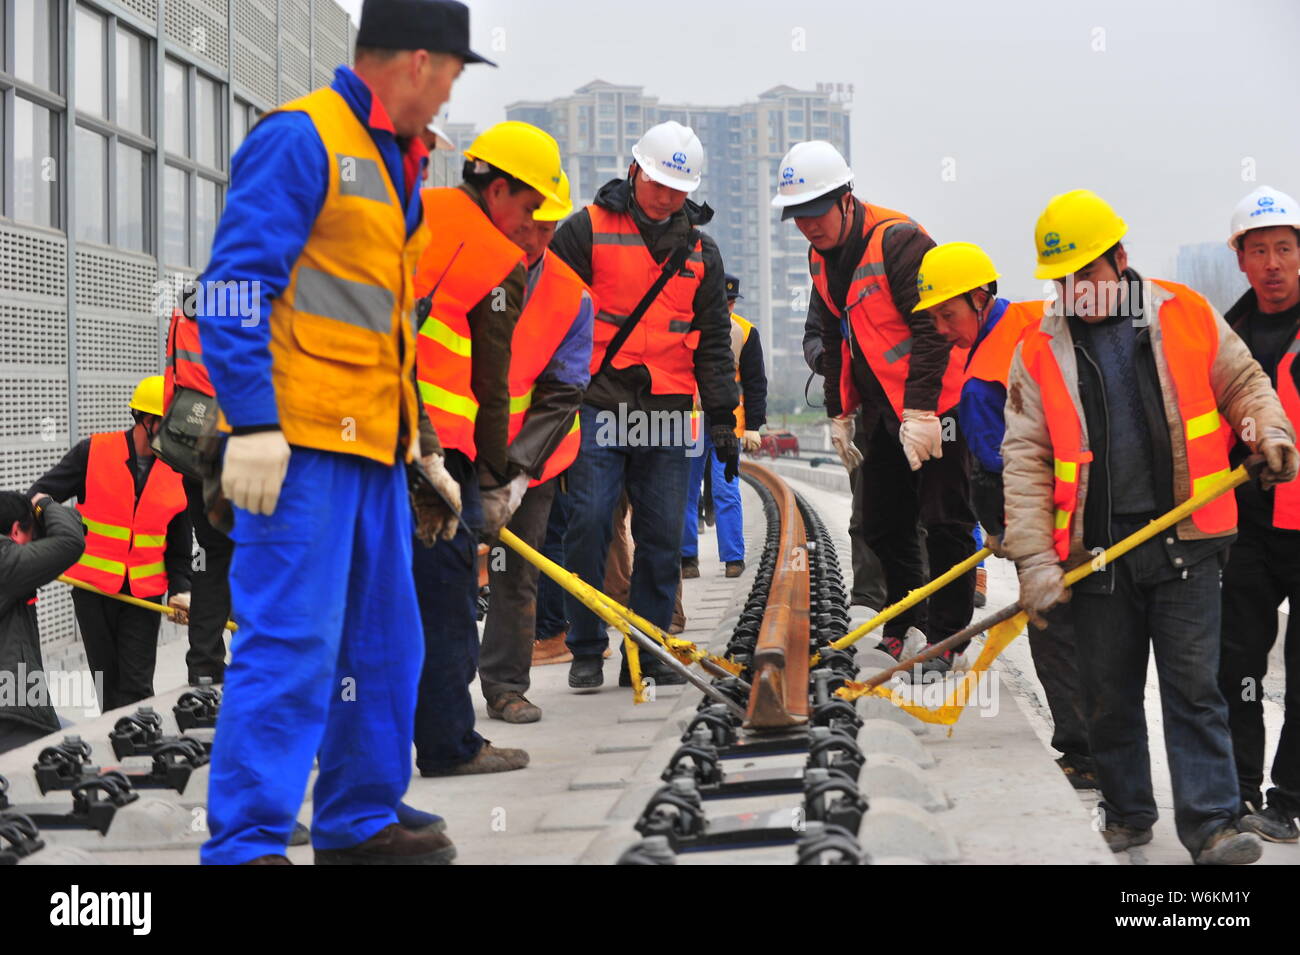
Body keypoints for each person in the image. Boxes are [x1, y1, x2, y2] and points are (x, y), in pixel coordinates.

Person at [196, 0, 486, 866]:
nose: (450, 94)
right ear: (419, 63)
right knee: (291, 640)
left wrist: (422, 444)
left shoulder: (395, 160)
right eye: (453, 73)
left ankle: (358, 818)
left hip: (373, 450)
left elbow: (385, 332)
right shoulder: (303, 139)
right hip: (298, 446)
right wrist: (250, 421)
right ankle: (246, 842)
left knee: (382, 641)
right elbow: (233, 287)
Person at [1003, 188, 1298, 864]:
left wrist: (1268, 429)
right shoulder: (1040, 348)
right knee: (1108, 694)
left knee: (1196, 691)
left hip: (1187, 543)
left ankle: (1214, 825)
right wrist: (1035, 562)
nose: (1079, 291)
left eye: (1089, 274)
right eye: (1065, 279)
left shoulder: (1183, 314)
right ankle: (1129, 811)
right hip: (1100, 551)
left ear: (1121, 259)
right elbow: (1024, 459)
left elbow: (1243, 384)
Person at [550, 120, 739, 691]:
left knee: (663, 534)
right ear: (634, 172)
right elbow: (552, 317)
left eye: (677, 189)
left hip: (668, 409)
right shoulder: (584, 231)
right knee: (588, 524)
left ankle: (652, 647)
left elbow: (712, 341)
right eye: (657, 183)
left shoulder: (703, 253)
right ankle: (586, 646)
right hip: (598, 403)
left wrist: (724, 418)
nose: (666, 197)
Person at [776, 140, 974, 671]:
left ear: (845, 198)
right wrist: (839, 412)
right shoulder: (821, 259)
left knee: (944, 521)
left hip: (939, 408)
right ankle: (905, 621)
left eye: (816, 213)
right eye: (798, 217)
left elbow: (934, 332)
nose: (809, 226)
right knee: (884, 523)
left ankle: (946, 637)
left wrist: (923, 412)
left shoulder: (900, 242)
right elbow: (837, 337)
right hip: (884, 412)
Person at [411, 121, 568, 768]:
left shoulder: (413, 210)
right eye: (530, 208)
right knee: (448, 603)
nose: (528, 226)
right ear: (499, 189)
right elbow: (493, 385)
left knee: (373, 602)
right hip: (442, 461)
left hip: (369, 439)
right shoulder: (500, 262)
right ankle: (450, 743)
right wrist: (497, 479)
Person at [914, 241, 1094, 786]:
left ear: (978, 296)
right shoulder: (1032, 316)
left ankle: (1084, 756)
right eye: (936, 316)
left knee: (1052, 628)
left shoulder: (980, 381)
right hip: (1099, 499)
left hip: (1048, 518)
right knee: (1100, 629)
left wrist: (997, 529)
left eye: (948, 313)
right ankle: (1108, 746)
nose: (942, 328)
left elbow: (995, 470)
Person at [476, 171, 594, 723]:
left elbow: (564, 392)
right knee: (440, 570)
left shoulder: (572, 296)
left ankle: (504, 686)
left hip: (533, 457)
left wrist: (516, 474)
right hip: (452, 446)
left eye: (548, 229)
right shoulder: (463, 269)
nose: (535, 240)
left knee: (515, 573)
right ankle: (437, 689)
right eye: (528, 226)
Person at [29, 376, 191, 711]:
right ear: (147, 420)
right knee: (108, 686)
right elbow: (40, 495)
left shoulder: (179, 471)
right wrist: (54, 536)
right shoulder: (93, 452)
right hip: (93, 593)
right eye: (170, 424)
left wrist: (181, 589)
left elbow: (178, 547)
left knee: (135, 688)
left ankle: (138, 749)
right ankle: (120, 750)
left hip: (144, 597)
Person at [1219, 185, 1300, 843]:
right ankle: (1239, 789)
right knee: (1236, 662)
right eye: (1259, 251)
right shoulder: (1228, 334)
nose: (1272, 263)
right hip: (1246, 526)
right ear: (1241, 259)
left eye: (1283, 248)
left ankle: (1288, 798)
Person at [161, 289, 233, 685]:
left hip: (190, 447)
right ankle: (261, 660)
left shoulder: (186, 308)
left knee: (213, 556)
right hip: (238, 446)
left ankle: (204, 663)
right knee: (260, 556)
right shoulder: (255, 304)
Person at [681, 273, 767, 580]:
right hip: (690, 420)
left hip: (728, 423)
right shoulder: (688, 327)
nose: (727, 306)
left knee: (726, 488)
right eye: (724, 300)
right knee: (686, 491)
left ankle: (733, 558)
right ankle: (687, 558)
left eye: (731, 301)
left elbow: (756, 383)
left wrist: (755, 424)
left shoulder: (745, 333)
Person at [0, 493, 85, 754]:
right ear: (16, 531)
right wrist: (46, 504)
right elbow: (71, 541)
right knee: (70, 755)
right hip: (10, 712)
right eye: (33, 538)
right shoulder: (6, 564)